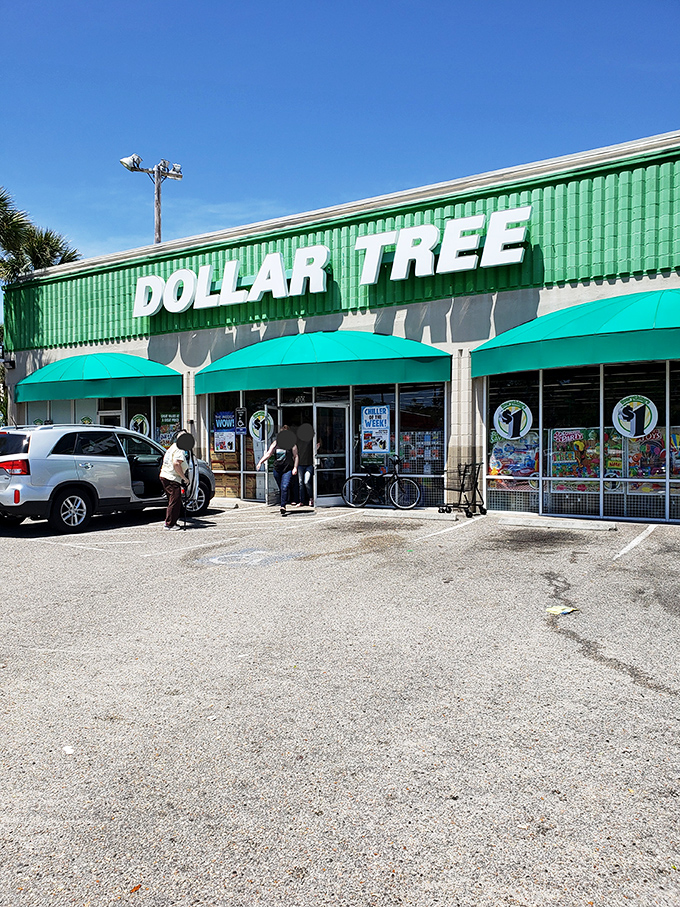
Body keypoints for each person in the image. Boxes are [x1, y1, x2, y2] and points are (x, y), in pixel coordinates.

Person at [256, 425, 298, 516]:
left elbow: (296, 456)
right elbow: (269, 453)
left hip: (287, 469)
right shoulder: (276, 443)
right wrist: (260, 462)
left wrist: (295, 467)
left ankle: (283, 506)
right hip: (277, 469)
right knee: (282, 487)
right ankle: (285, 499)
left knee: (284, 486)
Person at [159, 430, 189, 530]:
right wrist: (184, 478)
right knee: (175, 500)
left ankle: (171, 522)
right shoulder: (179, 449)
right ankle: (170, 524)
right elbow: (176, 464)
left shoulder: (173, 446)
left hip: (165, 475)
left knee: (172, 500)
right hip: (172, 478)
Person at [293, 422, 317, 508]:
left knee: (306, 482)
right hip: (300, 464)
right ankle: (302, 501)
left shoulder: (311, 438)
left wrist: (317, 448)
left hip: (309, 464)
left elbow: (317, 444)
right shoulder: (297, 439)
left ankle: (311, 498)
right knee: (300, 483)